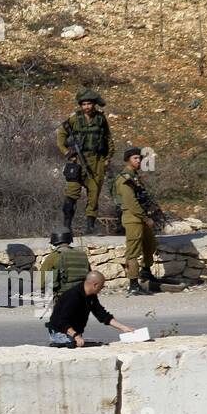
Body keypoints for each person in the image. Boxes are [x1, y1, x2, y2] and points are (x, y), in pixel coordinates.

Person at [56, 88, 114, 235]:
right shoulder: (75, 119)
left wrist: (108, 158)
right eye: (84, 104)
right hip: (77, 162)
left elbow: (108, 139)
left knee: (93, 195)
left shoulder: (100, 119)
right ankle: (66, 227)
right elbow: (61, 134)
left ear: (94, 104)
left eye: (89, 104)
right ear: (80, 105)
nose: (87, 107)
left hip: (97, 161)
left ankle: (90, 227)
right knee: (72, 193)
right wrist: (66, 151)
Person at [47, 270, 134, 347]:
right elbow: (62, 322)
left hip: (74, 333)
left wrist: (123, 328)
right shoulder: (73, 296)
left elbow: (102, 314)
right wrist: (76, 336)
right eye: (101, 286)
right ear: (95, 285)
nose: (101, 289)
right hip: (61, 333)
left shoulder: (91, 296)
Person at [116, 147, 159, 296]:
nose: (139, 160)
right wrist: (146, 218)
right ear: (128, 160)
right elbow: (131, 203)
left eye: (140, 158)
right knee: (133, 252)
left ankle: (146, 272)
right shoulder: (124, 179)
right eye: (135, 158)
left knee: (150, 245)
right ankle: (133, 285)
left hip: (140, 217)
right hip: (133, 218)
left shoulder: (134, 177)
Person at [37, 228, 90, 300]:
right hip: (82, 295)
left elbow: (41, 281)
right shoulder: (82, 255)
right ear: (70, 239)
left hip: (63, 297)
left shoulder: (53, 256)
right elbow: (90, 275)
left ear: (54, 242)